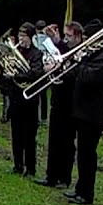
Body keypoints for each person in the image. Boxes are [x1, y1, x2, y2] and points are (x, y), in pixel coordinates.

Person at [66, 19, 103, 205]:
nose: (85, 41)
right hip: (83, 112)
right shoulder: (93, 55)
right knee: (82, 154)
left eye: (88, 38)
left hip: (93, 114)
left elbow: (88, 78)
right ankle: (80, 189)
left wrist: (78, 61)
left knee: (87, 155)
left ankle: (87, 194)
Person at [36, 22, 78, 189]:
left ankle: (64, 178)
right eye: (65, 35)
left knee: (67, 142)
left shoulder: (80, 51)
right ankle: (51, 175)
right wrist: (55, 40)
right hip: (57, 99)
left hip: (71, 103)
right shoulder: (65, 48)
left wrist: (59, 68)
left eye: (69, 36)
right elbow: (60, 53)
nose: (66, 39)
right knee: (53, 140)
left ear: (77, 36)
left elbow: (72, 72)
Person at [4, 24, 45, 177]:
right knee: (16, 133)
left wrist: (16, 75)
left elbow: (35, 74)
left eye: (23, 36)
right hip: (16, 97)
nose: (20, 39)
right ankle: (17, 164)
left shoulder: (37, 54)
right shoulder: (16, 53)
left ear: (30, 37)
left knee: (29, 135)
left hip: (30, 100)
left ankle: (30, 168)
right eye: (19, 35)